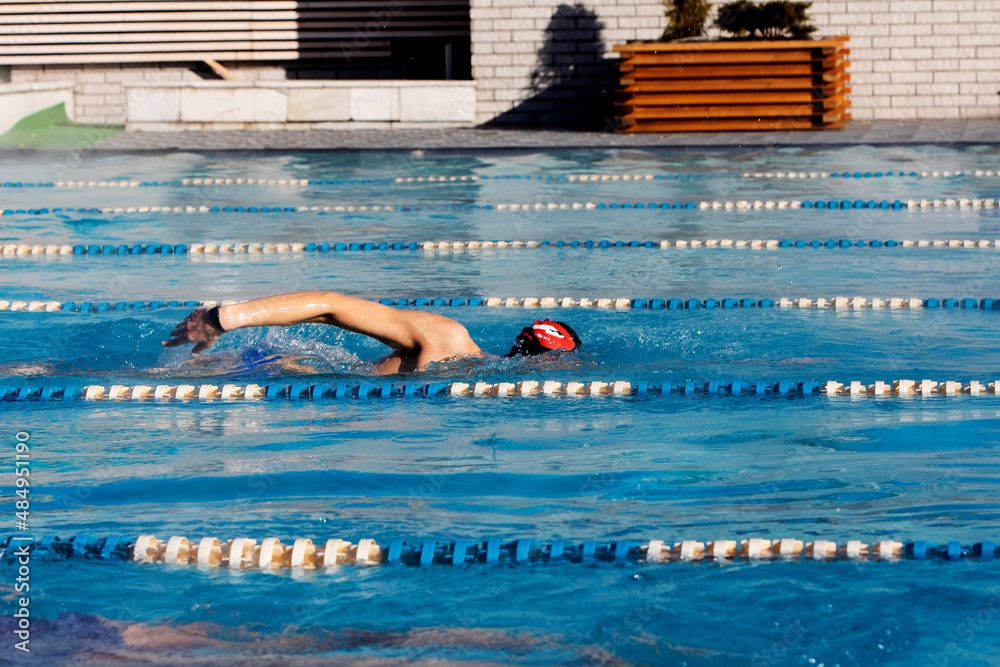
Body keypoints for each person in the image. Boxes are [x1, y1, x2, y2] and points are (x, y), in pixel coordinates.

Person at [163, 290, 581, 375]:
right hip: (265, 370)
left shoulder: (469, 368)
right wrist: (225, 318)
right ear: (556, 360)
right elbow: (332, 305)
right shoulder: (450, 339)